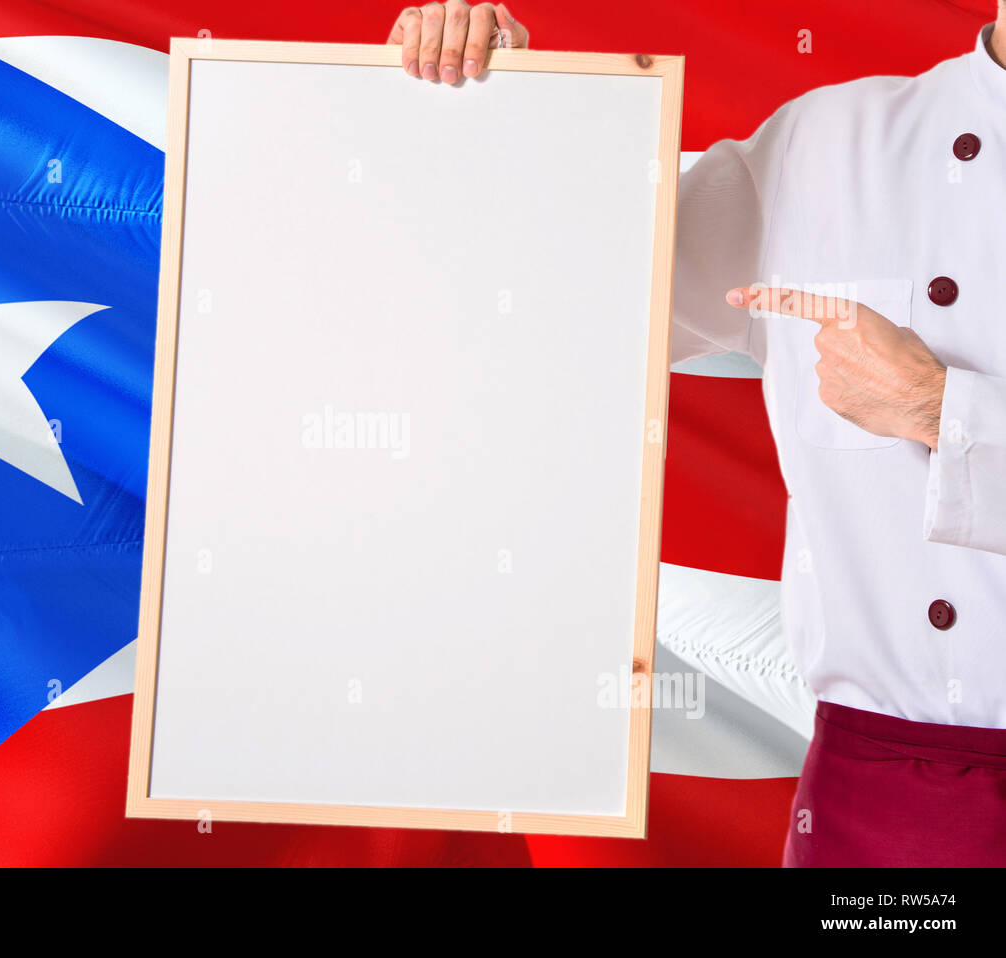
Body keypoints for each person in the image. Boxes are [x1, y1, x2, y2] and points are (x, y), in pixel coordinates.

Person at [388, 1, 1006, 866]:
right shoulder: (823, 144)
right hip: (877, 806)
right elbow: (573, 305)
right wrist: (500, 106)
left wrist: (944, 413)